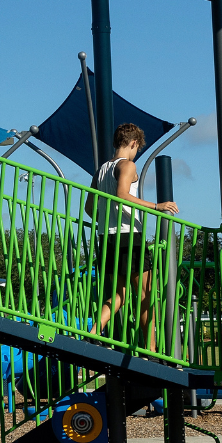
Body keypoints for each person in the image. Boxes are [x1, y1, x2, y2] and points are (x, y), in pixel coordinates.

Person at [92, 122, 178, 340]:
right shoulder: (127, 166)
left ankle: (93, 331)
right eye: (137, 148)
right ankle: (149, 349)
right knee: (146, 295)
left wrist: (106, 218)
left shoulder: (101, 170)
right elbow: (122, 194)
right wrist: (157, 206)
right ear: (133, 143)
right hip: (129, 236)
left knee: (118, 294)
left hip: (106, 237)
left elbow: (89, 207)